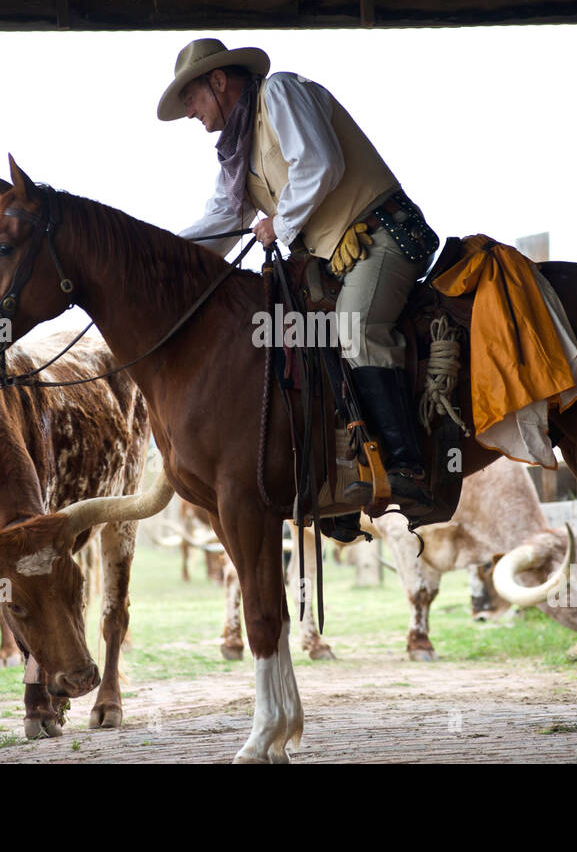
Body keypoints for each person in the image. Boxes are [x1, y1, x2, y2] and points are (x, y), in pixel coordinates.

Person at [158, 38, 440, 515]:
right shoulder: (239, 155)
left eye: (192, 98)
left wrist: (280, 224)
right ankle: (345, 474)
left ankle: (406, 467)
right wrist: (164, 257)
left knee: (357, 326)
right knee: (292, 340)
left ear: (219, 81)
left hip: (382, 232)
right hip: (331, 259)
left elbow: (320, 163)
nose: (190, 113)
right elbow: (224, 219)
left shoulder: (280, 93)